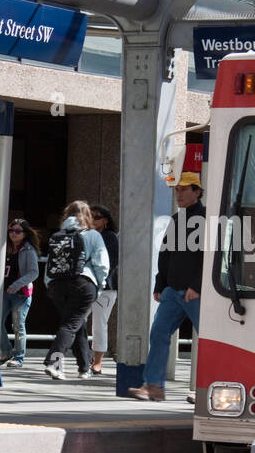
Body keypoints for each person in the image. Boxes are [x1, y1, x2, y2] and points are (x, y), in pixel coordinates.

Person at [130, 172, 205, 402]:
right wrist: (160, 284)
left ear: (197, 192)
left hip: (196, 293)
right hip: (172, 291)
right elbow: (165, 255)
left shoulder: (207, 219)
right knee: (159, 333)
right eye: (176, 189)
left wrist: (197, 286)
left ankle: (208, 391)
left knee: (212, 343)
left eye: (183, 189)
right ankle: (153, 386)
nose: (179, 194)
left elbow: (211, 256)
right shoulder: (176, 219)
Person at [43, 200, 109, 380]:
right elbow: (102, 264)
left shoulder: (57, 235)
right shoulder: (93, 235)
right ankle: (53, 363)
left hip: (57, 285)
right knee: (71, 324)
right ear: (87, 216)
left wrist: (49, 284)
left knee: (76, 323)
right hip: (83, 283)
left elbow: (50, 264)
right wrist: (99, 285)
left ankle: (84, 367)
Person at [0, 218, 39, 368]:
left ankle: (19, 357)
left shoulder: (29, 250)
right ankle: (6, 352)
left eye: (17, 231)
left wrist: (16, 285)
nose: (13, 234)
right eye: (11, 230)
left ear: (24, 234)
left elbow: (34, 273)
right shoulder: (4, 247)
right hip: (3, 292)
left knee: (18, 325)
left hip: (21, 294)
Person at [85, 204, 119, 375]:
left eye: (96, 217)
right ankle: (85, 356)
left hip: (106, 287)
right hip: (86, 285)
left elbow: (112, 262)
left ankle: (97, 362)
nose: (92, 219)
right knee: (76, 321)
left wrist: (98, 278)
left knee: (99, 325)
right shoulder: (86, 235)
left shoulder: (110, 236)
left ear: (105, 220)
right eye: (89, 216)